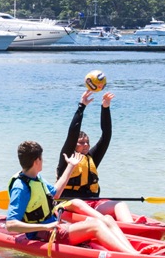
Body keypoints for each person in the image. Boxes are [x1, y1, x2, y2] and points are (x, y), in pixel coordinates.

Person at [7, 140, 145, 255]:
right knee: (95, 225)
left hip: (55, 226)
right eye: (42, 158)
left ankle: (132, 252)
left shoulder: (36, 178)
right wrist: (46, 226)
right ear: (37, 160)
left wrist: (71, 166)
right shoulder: (21, 187)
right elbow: (11, 225)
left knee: (107, 219)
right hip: (43, 234)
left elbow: (55, 193)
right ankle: (133, 257)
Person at [57, 86, 133, 223]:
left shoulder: (91, 159)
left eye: (87, 142)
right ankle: (107, 223)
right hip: (68, 205)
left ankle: (131, 228)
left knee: (120, 204)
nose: (86, 145)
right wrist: (81, 107)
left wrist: (105, 108)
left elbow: (106, 135)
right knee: (78, 203)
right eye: (81, 142)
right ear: (74, 145)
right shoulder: (66, 158)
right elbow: (72, 133)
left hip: (91, 205)